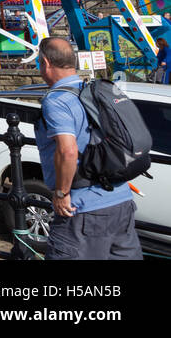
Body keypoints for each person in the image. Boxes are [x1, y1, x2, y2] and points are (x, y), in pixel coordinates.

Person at [36, 36, 140, 259]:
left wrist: (61, 193)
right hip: (121, 200)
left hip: (83, 209)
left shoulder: (57, 100)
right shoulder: (95, 91)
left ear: (45, 63)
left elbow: (67, 150)